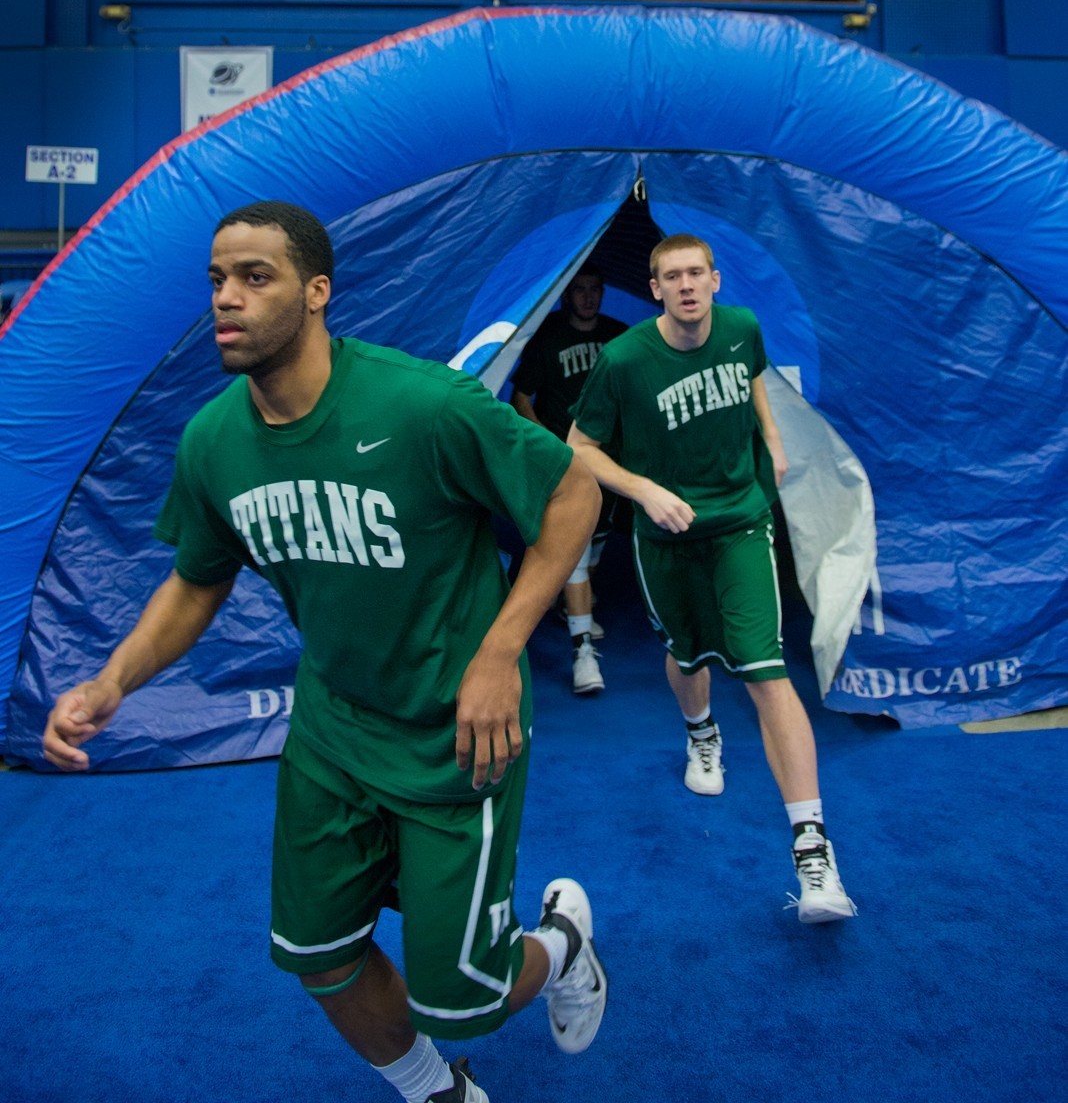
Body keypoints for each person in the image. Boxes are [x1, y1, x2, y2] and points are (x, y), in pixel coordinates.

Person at [43, 201, 609, 1103]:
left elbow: (574, 493)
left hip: (452, 736)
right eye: (218, 279)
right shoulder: (214, 440)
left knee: (464, 999)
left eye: (254, 277)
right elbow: (197, 580)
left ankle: (567, 945)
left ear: (316, 293)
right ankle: (437, 1092)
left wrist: (502, 652)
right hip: (333, 732)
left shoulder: (422, 405)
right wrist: (112, 681)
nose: (226, 298)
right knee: (319, 956)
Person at [567, 234, 855, 925]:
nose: (687, 285)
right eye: (672, 276)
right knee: (688, 654)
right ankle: (700, 731)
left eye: (697, 273)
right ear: (656, 289)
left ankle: (813, 854)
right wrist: (642, 490)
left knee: (765, 669)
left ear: (716, 280)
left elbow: (753, 379)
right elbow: (578, 449)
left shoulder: (742, 328)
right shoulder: (626, 359)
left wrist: (775, 443)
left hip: (740, 521)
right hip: (667, 536)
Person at [511, 267, 626, 696]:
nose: (588, 298)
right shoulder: (548, 339)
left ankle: (572, 602)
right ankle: (582, 653)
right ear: (565, 295)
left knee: (595, 542)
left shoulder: (621, 335)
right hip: (565, 463)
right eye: (579, 290)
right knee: (573, 548)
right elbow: (519, 395)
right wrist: (545, 444)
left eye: (595, 289)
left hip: (610, 459)